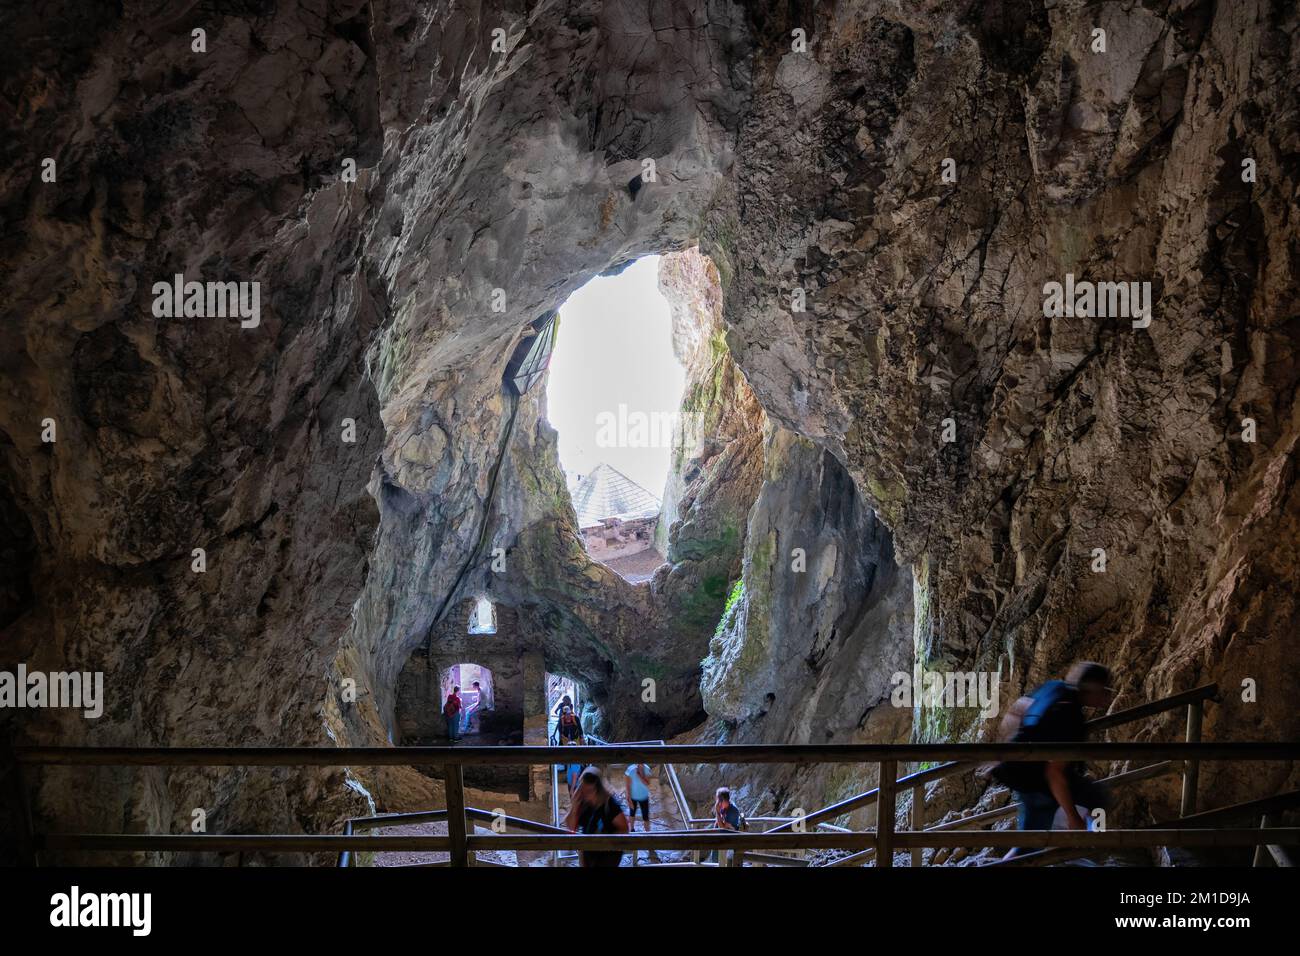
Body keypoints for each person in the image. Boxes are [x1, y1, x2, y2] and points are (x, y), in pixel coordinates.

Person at [992, 661, 1115, 858]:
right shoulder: (1069, 716)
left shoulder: (1054, 688)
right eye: (1105, 689)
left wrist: (1009, 748)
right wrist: (1073, 819)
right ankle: (1095, 846)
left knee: (1094, 798)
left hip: (1019, 769)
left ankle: (1093, 845)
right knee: (1095, 799)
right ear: (1092, 689)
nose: (1108, 695)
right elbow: (1054, 773)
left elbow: (1016, 711)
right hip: (1035, 779)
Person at [564, 767, 629, 867]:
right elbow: (571, 827)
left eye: (589, 791)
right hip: (589, 854)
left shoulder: (610, 805)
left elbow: (624, 829)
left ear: (599, 789)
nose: (585, 794)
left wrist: (605, 841)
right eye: (583, 790)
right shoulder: (583, 804)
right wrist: (574, 807)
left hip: (608, 856)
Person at [624, 761, 653, 833]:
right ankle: (632, 829)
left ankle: (648, 833)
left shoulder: (647, 769)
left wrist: (640, 775)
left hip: (644, 796)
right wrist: (628, 797)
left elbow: (647, 783)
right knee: (632, 813)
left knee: (645, 816)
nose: (640, 765)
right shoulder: (630, 770)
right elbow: (627, 785)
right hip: (633, 796)